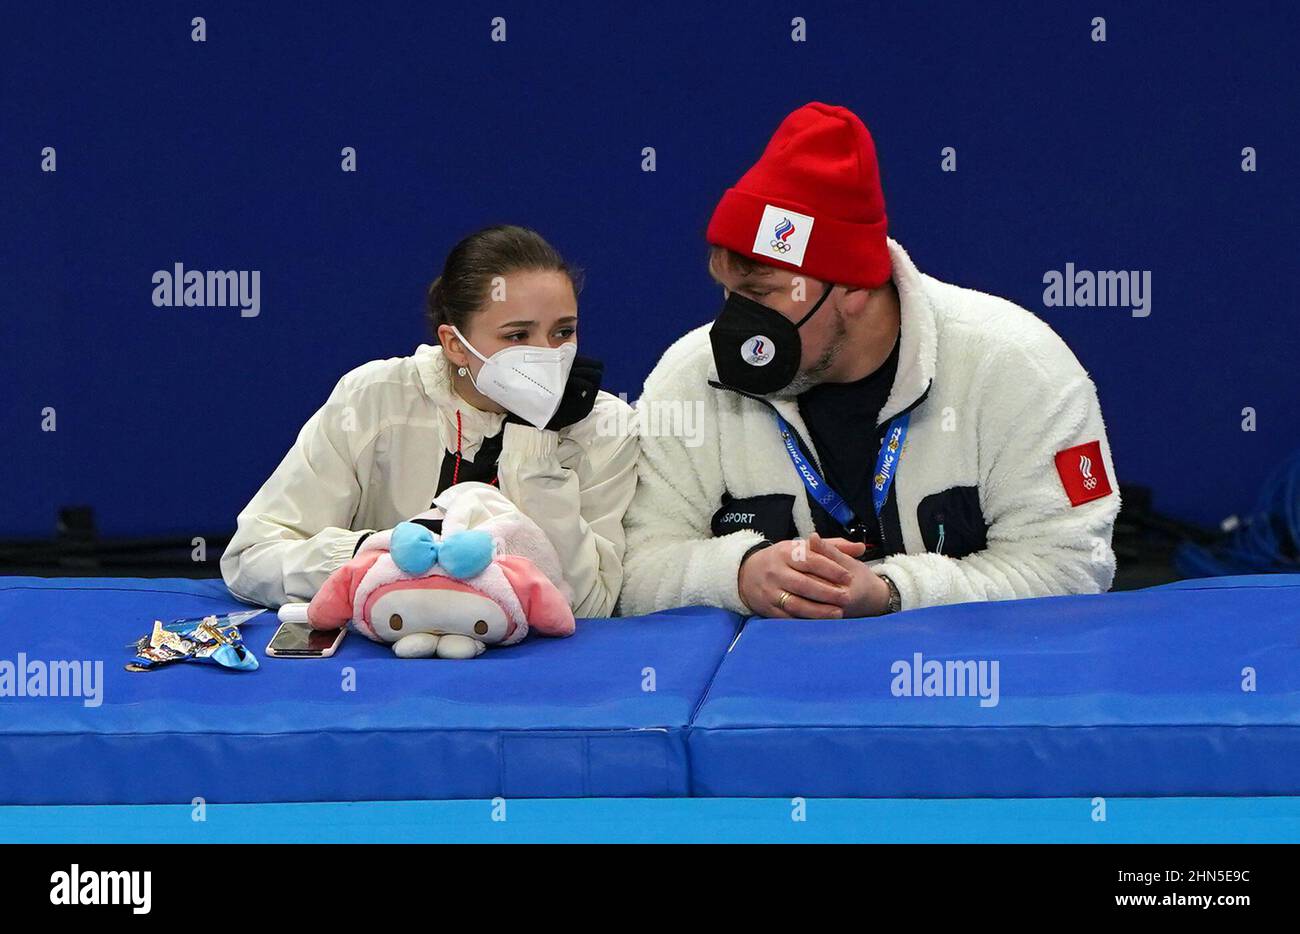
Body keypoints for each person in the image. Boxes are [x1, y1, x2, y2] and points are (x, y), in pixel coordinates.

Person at [620, 103, 1119, 619]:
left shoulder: (1018, 366)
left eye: (762, 295)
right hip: (766, 696)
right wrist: (737, 574)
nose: (738, 326)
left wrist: (892, 593)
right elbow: (630, 570)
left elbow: (1073, 568)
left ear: (855, 283)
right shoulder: (693, 376)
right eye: (730, 295)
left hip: (967, 691)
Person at [222, 225, 639, 617]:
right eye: (517, 336)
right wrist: (381, 556)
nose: (548, 355)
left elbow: (589, 608)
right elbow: (252, 557)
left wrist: (537, 445)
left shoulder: (606, 426)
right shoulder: (373, 396)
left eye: (563, 331)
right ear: (455, 344)